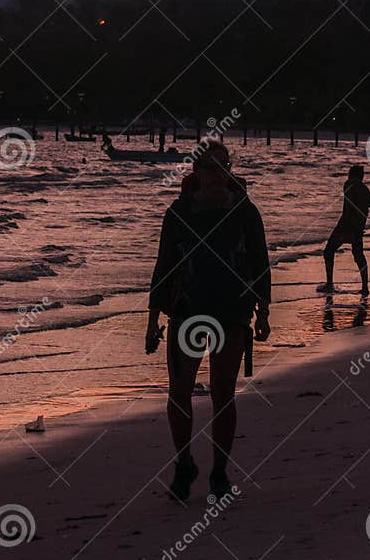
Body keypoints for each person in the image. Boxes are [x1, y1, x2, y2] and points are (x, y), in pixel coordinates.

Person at [145, 139, 272, 500]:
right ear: (196, 172)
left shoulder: (245, 211)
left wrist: (264, 311)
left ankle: (219, 472)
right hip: (187, 310)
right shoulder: (179, 213)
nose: (218, 175)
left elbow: (260, 262)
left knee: (223, 393)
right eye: (211, 168)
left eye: (224, 167)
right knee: (179, 392)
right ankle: (184, 464)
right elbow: (164, 265)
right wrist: (153, 319)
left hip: (233, 311)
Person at [319, 164, 370, 296]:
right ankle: (365, 287)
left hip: (347, 225)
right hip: (359, 226)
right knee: (359, 256)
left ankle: (329, 283)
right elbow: (367, 206)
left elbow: (347, 207)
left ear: (351, 175)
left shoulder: (349, 184)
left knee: (329, 251)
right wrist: (359, 227)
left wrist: (342, 225)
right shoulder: (365, 190)